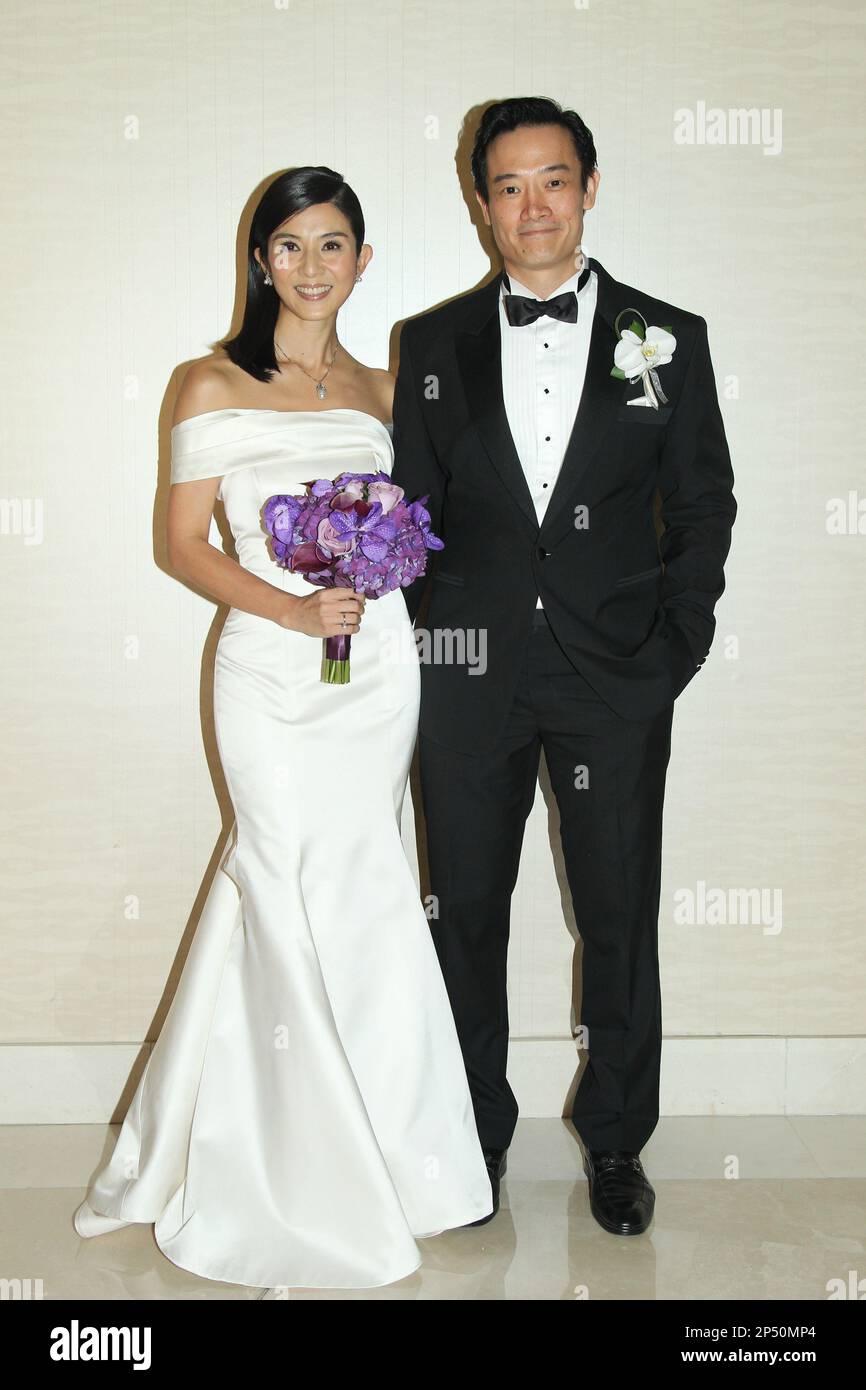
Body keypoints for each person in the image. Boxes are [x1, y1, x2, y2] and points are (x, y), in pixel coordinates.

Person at [73, 166, 493, 1292]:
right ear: (260, 259)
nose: (313, 267)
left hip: (376, 666)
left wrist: (380, 571)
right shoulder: (206, 382)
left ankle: (397, 1154)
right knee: (274, 870)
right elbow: (182, 546)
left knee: (360, 877)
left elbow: (427, 516)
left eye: (334, 245)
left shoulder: (385, 384)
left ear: (364, 261)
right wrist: (294, 605)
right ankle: (275, 1166)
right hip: (267, 664)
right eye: (291, 246)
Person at [391, 97, 736, 1235]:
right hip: (465, 680)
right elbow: (411, 523)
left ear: (589, 187)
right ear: (479, 203)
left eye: (552, 180)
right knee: (463, 915)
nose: (530, 206)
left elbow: (699, 506)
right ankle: (468, 1135)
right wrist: (400, 659)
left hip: (615, 679)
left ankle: (616, 1141)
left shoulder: (664, 334)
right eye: (506, 186)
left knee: (618, 914)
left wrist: (673, 646)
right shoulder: (429, 344)